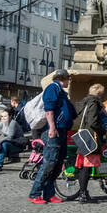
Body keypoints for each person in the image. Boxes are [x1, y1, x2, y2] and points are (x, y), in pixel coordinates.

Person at [28, 69, 75, 205]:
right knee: (49, 163)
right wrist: (52, 128)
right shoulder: (52, 88)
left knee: (57, 163)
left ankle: (49, 194)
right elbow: (49, 110)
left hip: (62, 131)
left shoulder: (61, 92)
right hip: (54, 131)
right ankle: (35, 193)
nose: (69, 82)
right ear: (64, 78)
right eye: (68, 79)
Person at [70, 84, 107, 203]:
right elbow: (93, 122)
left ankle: (83, 192)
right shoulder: (94, 104)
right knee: (86, 167)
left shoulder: (85, 102)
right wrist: (103, 130)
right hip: (91, 138)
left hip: (84, 136)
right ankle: (83, 194)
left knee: (84, 167)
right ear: (99, 94)